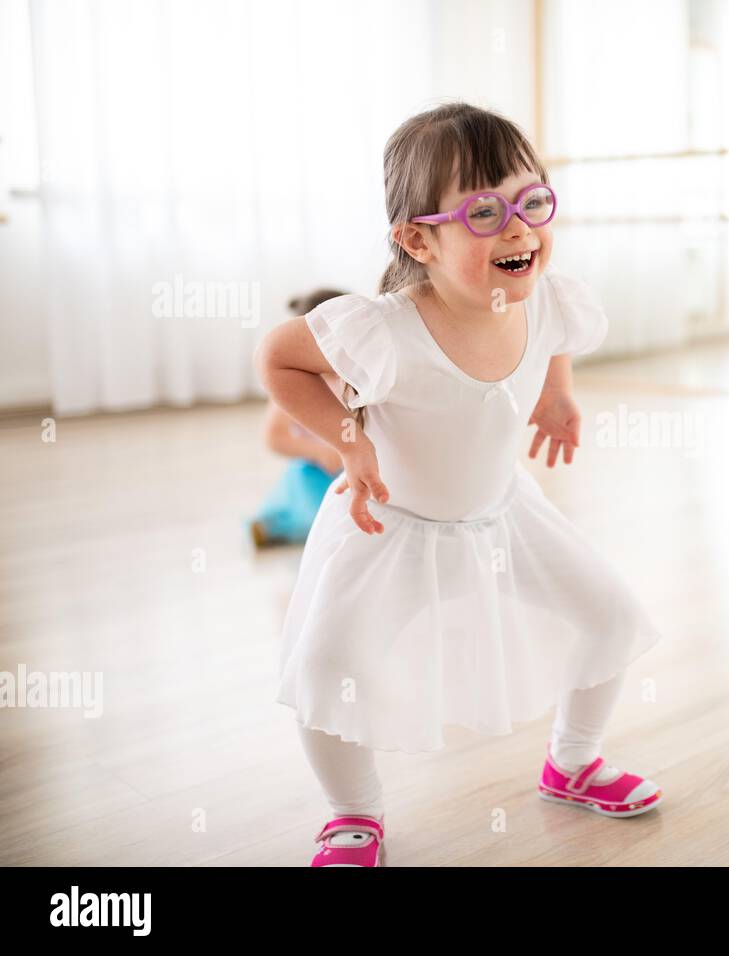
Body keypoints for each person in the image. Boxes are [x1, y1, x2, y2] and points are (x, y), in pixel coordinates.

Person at [255, 104, 665, 867]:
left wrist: (556, 393)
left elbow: (556, 339)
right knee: (327, 672)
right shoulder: (385, 327)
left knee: (610, 618)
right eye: (483, 212)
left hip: (502, 515)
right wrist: (349, 445)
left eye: (531, 202)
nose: (517, 230)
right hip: (391, 528)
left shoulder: (543, 294)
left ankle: (570, 765)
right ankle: (353, 814)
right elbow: (278, 359)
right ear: (418, 239)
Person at [248, 289, 349, 548]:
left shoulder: (353, 377)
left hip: (354, 468)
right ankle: (272, 525)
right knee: (313, 509)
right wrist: (319, 451)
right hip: (316, 470)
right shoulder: (294, 384)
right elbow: (274, 437)